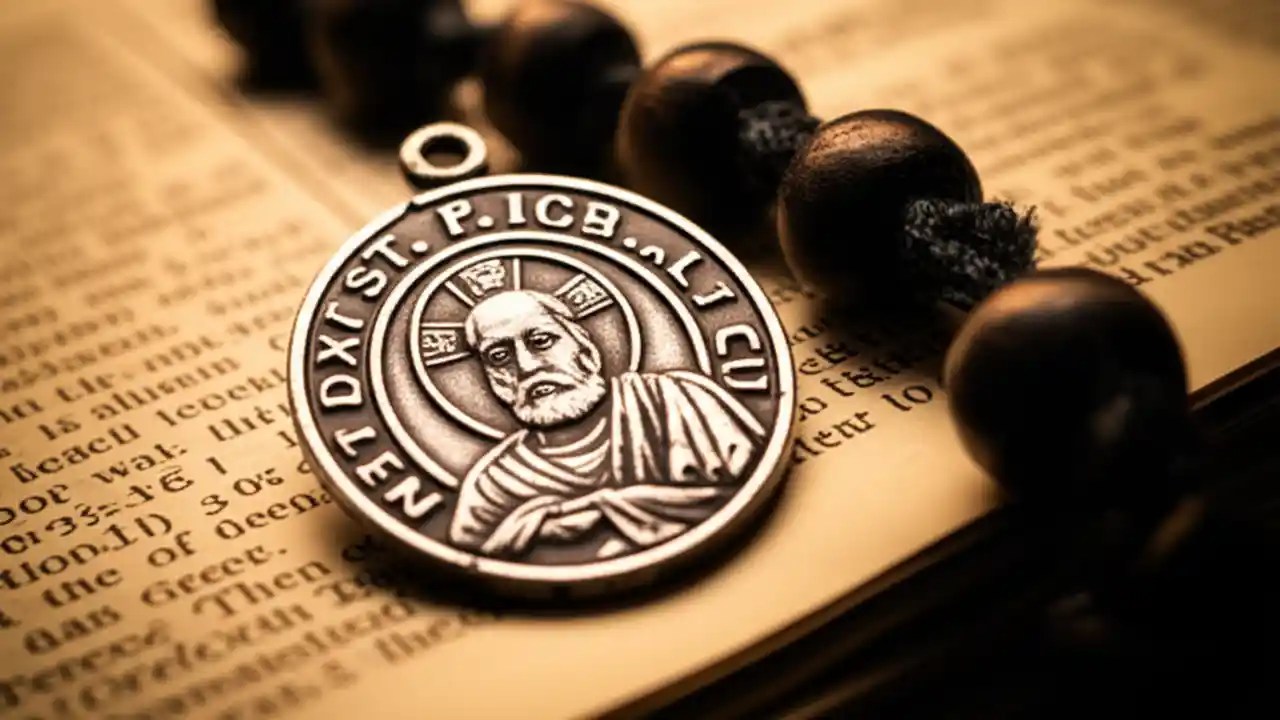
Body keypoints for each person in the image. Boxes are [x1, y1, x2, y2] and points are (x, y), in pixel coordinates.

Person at [447, 290, 764, 559]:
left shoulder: (679, 402)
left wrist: (600, 509)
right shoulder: (493, 485)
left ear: (584, 348)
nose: (527, 366)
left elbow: (745, 476)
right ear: (491, 379)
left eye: (542, 340)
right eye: (499, 356)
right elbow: (477, 549)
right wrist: (540, 525)